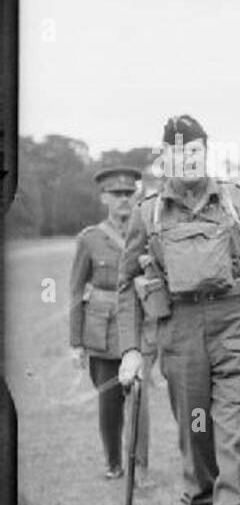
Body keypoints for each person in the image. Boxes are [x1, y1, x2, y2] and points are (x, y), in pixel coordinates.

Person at [116, 114, 240, 505]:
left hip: (236, 326)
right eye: (177, 153)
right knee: (198, 434)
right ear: (164, 158)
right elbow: (127, 284)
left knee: (233, 432)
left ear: (205, 153)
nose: (187, 160)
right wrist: (131, 349)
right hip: (180, 332)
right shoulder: (147, 214)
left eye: (195, 152)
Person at [69, 166, 151, 484]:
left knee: (140, 399)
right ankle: (114, 462)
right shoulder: (90, 239)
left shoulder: (145, 232)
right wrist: (76, 343)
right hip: (101, 332)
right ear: (104, 197)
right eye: (117, 195)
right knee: (109, 404)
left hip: (139, 326)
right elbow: (76, 291)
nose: (124, 201)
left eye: (129, 194)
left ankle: (141, 466)